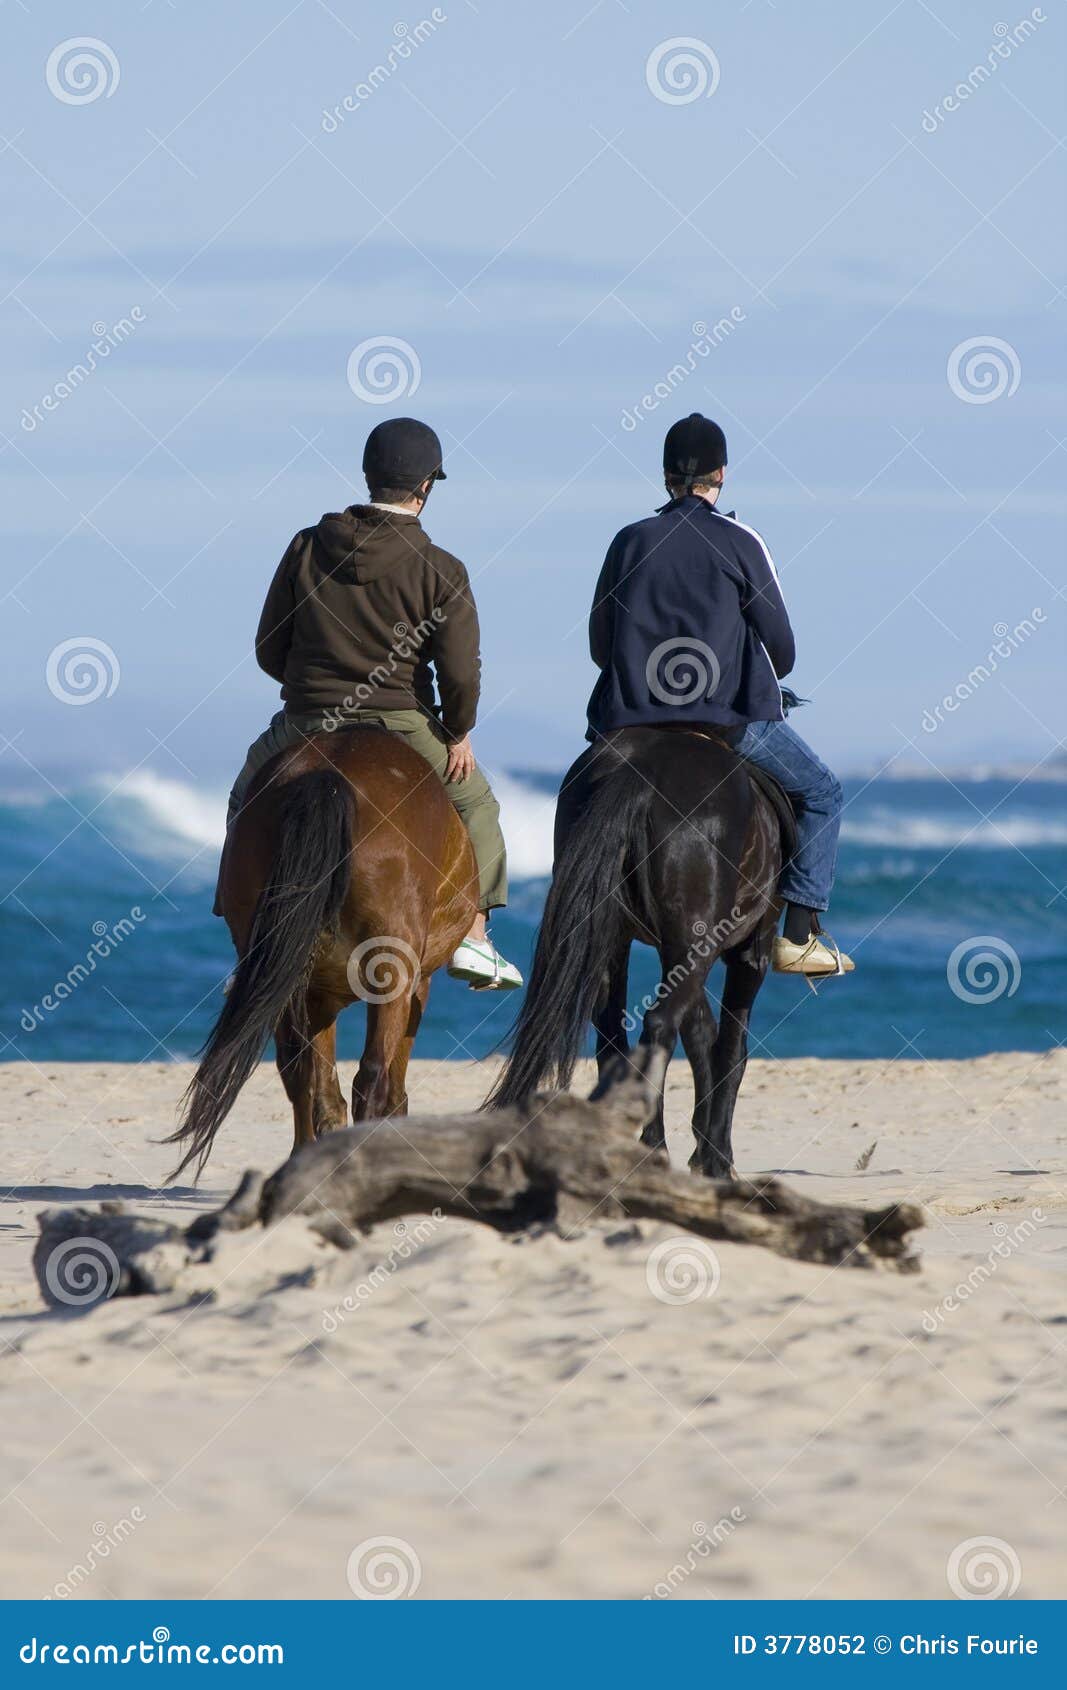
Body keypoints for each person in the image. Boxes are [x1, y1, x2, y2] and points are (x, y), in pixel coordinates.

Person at [219, 416, 522, 991]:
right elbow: (460, 672)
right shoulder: (441, 568)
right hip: (402, 721)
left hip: (308, 719)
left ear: (367, 476)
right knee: (478, 806)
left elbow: (268, 647)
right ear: (425, 486)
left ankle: (248, 940)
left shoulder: (306, 547)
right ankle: (476, 937)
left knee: (246, 796)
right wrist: (458, 731)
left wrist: (310, 690)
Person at [585, 412, 854, 977]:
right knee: (823, 792)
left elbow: (599, 646)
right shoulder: (741, 540)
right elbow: (783, 651)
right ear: (722, 474)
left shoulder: (627, 540)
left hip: (629, 722)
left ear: (665, 476)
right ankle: (799, 935)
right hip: (725, 721)